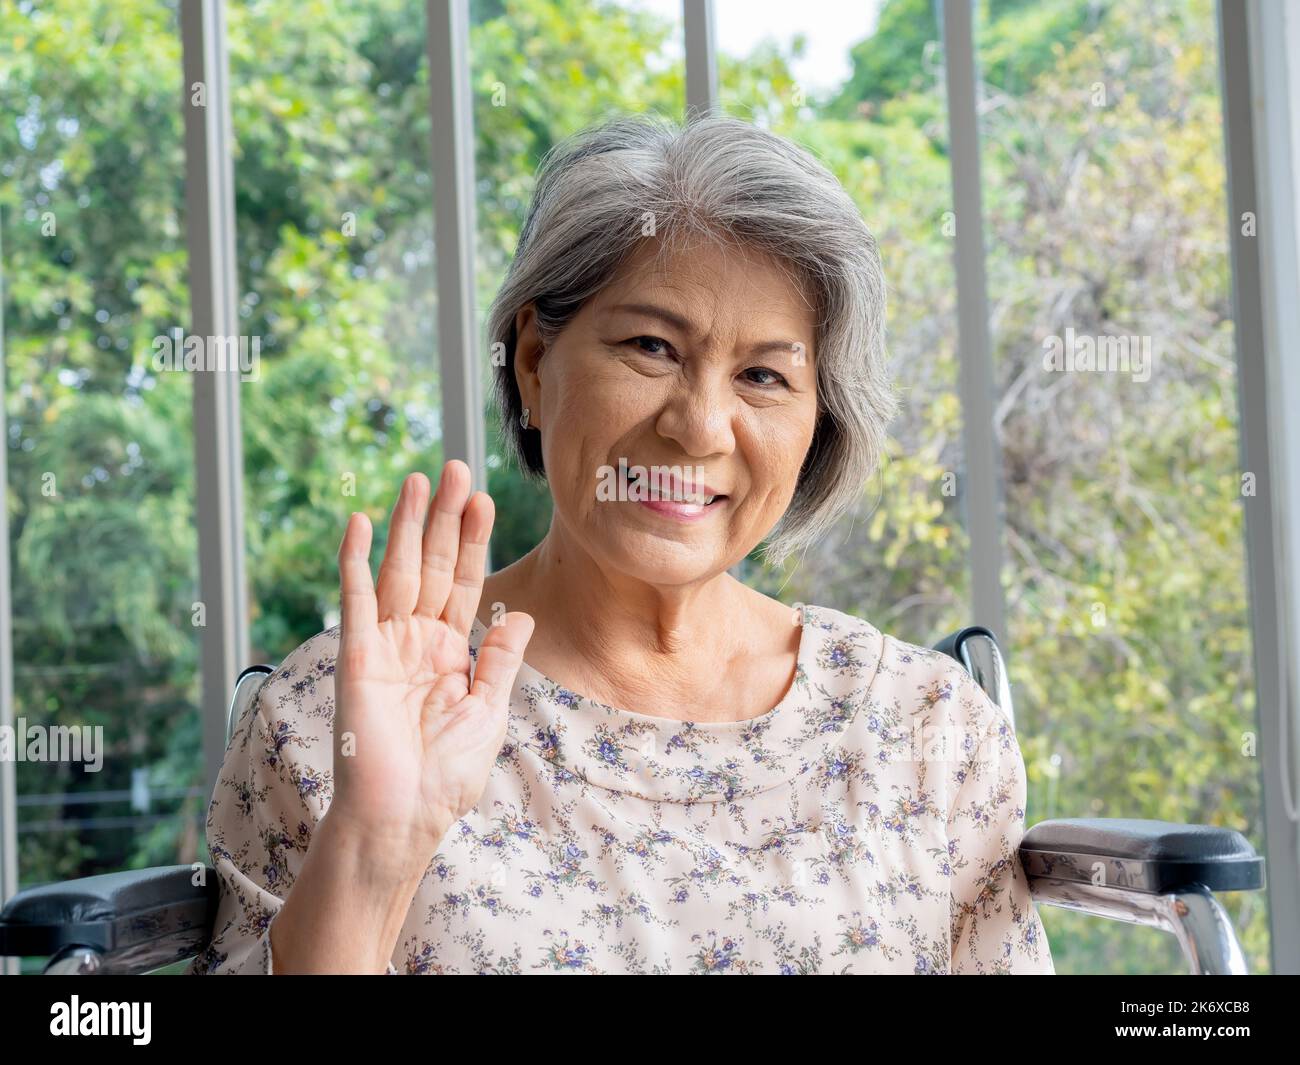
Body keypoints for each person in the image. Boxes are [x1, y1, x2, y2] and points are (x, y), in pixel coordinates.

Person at [191, 114, 1053, 975]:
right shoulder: (332, 715)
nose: (699, 426)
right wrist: (375, 843)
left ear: (818, 422)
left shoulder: (928, 730)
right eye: (652, 347)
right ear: (535, 360)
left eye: (764, 376)